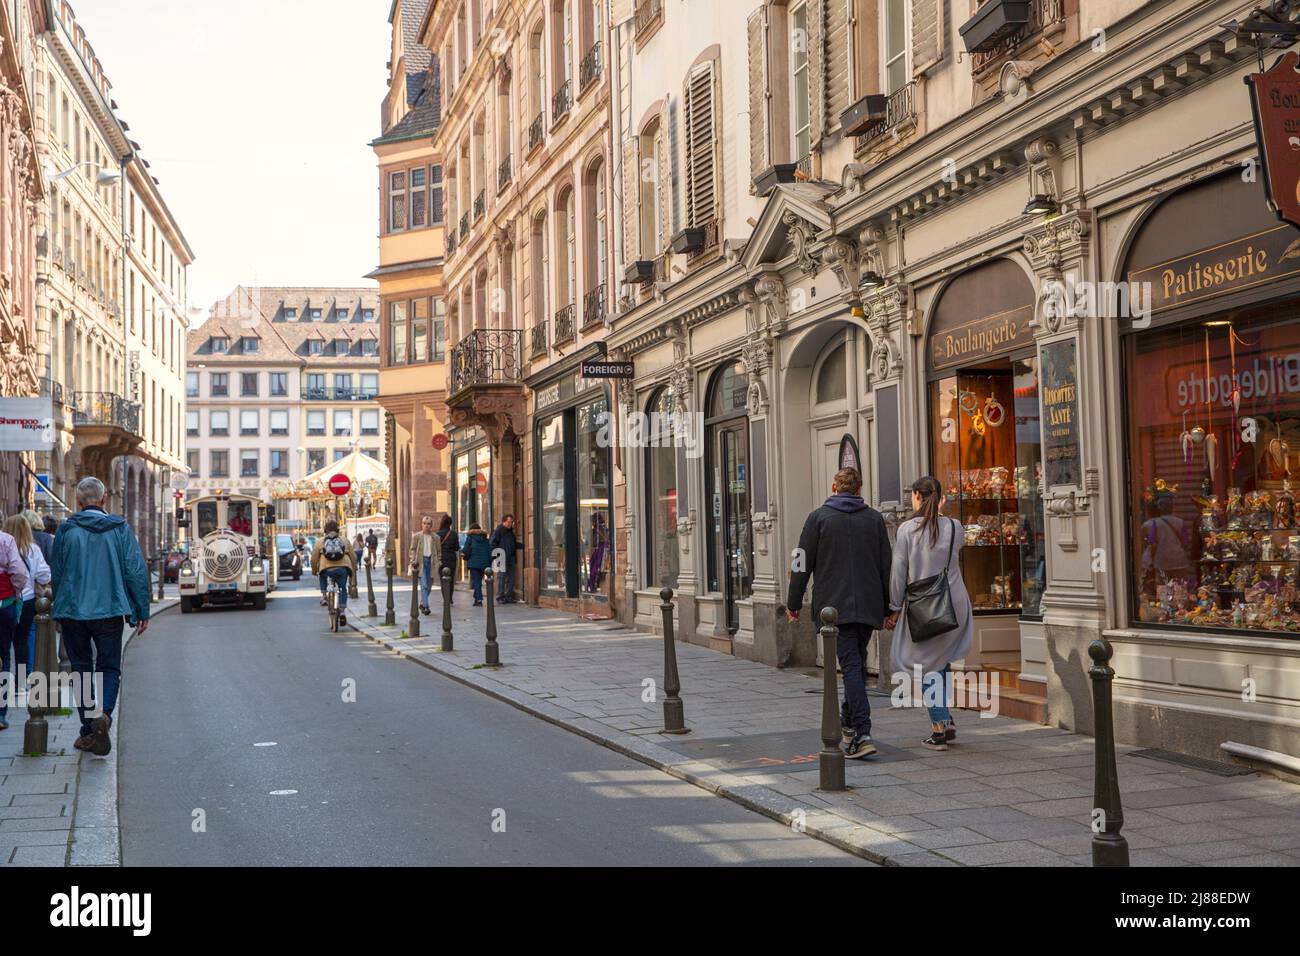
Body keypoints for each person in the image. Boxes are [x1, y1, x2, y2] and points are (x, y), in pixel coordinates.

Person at [786, 467, 892, 759]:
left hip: (833, 610)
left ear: (834, 487)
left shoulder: (818, 518)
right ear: (859, 489)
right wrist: (889, 606)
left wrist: (793, 603)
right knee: (855, 664)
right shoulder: (874, 520)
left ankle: (861, 732)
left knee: (852, 668)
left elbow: (800, 562)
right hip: (868, 606)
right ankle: (848, 723)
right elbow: (886, 566)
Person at [49, 477, 150, 756]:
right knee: (109, 668)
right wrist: (141, 609)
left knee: (81, 668)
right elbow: (135, 571)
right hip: (109, 610)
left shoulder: (66, 530)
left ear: (79, 501)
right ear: (104, 499)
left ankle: (87, 728)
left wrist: (58, 605)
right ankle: (103, 717)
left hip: (73, 611)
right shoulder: (119, 529)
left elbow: (56, 571)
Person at [885, 476, 974, 752]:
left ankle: (939, 728)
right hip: (954, 602)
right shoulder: (954, 527)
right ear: (941, 498)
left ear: (915, 496)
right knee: (941, 660)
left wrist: (894, 607)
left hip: (925, 605)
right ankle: (945, 717)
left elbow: (899, 573)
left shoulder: (907, 530)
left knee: (924, 665)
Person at [4, 516, 51, 709]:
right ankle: (21, 682)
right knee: (21, 642)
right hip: (27, 601)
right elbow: (45, 575)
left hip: (4, 600)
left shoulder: (3, 546)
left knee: (4, 645)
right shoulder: (33, 549)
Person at [0, 522, 31, 731]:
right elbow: (20, 573)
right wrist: (15, 590)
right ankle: (0, 713)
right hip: (4, 603)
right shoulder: (5, 540)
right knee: (4, 656)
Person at [311, 520, 356, 625]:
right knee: (342, 589)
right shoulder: (345, 540)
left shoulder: (320, 541)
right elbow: (353, 557)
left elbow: (314, 559)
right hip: (343, 568)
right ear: (338, 530)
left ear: (325, 530)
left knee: (321, 574)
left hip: (326, 569)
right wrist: (354, 569)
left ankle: (324, 596)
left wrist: (314, 570)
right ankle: (342, 612)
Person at [408, 516, 439, 615]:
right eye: (424, 523)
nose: (426, 525)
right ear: (421, 524)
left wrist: (440, 561)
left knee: (429, 586)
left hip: (432, 562)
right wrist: (413, 560)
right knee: (424, 585)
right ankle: (426, 606)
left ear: (431, 525)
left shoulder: (436, 537)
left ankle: (422, 603)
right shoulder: (417, 536)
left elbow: (439, 551)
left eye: (428, 523)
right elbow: (412, 549)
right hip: (421, 562)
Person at [461, 522, 493, 606]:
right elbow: (489, 551)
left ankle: (479, 599)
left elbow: (466, 550)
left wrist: (464, 557)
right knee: (478, 581)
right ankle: (476, 598)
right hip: (484, 564)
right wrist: (489, 563)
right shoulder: (485, 539)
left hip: (474, 564)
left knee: (476, 581)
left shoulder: (470, 538)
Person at [489, 515, 519, 603]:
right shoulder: (498, 530)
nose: (510, 524)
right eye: (509, 522)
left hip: (511, 557)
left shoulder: (511, 532)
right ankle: (500, 596)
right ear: (504, 522)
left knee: (511, 578)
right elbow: (492, 543)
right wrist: (496, 556)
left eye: (511, 522)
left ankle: (508, 596)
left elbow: (513, 544)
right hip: (501, 557)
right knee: (501, 577)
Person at [437, 515, 459, 606]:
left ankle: (445, 598)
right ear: (450, 523)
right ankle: (450, 598)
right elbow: (457, 547)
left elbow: (436, 548)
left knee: (443, 579)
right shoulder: (453, 534)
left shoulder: (438, 534)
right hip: (451, 559)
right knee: (451, 579)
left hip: (442, 559)